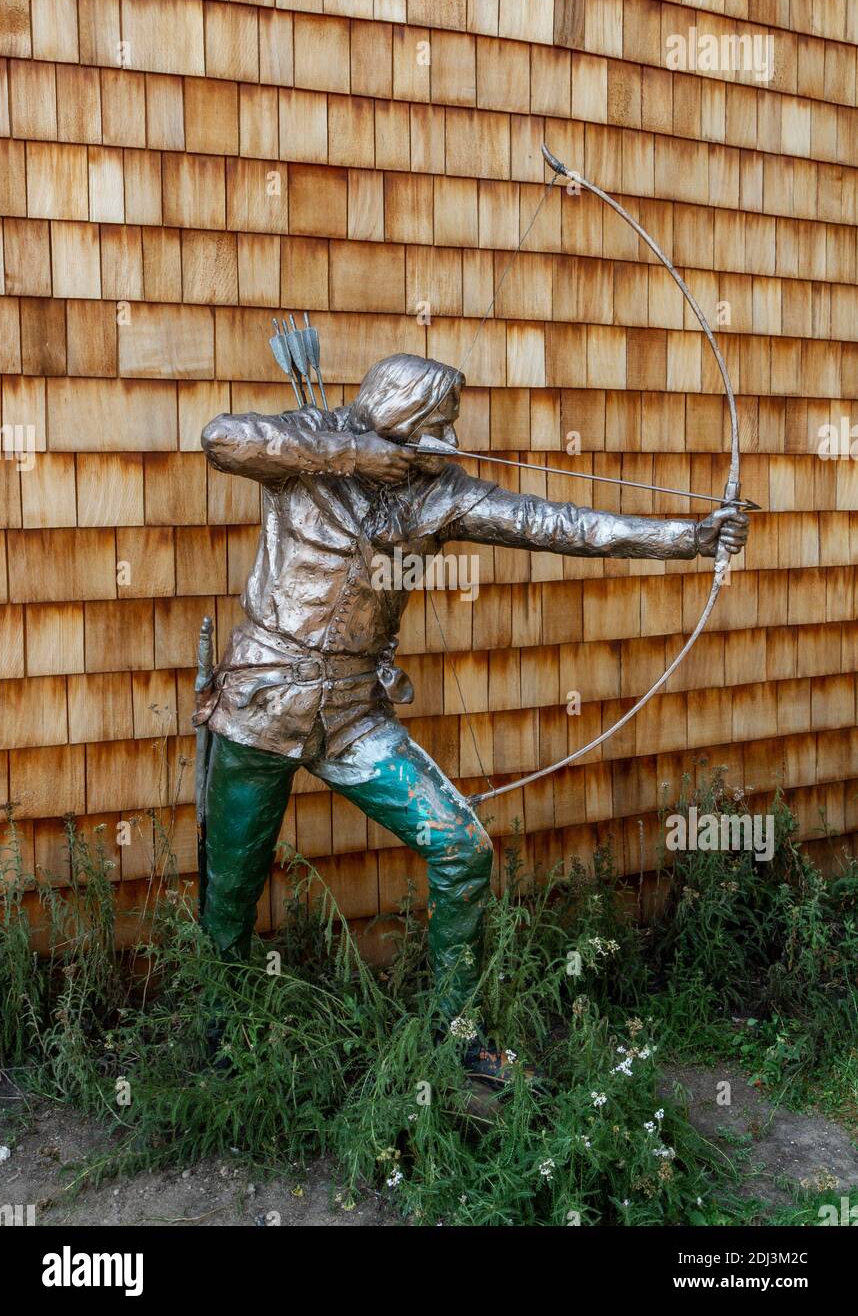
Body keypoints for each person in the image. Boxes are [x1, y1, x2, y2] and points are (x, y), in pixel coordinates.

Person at [196, 353, 749, 1084]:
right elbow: (221, 437)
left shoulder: (440, 495)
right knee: (230, 889)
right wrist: (354, 452)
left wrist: (689, 538)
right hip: (260, 706)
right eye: (438, 423)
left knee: (462, 849)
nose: (449, 440)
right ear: (400, 416)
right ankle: (225, 1046)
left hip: (354, 716)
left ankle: (458, 1042)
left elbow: (562, 525)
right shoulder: (311, 442)